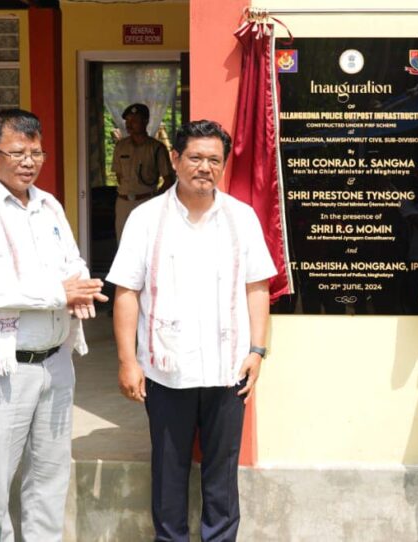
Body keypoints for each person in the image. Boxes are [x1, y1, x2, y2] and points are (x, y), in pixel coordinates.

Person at [0, 108, 107, 541]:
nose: (29, 162)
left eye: (37, 153)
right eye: (17, 153)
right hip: (3, 367)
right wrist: (58, 293)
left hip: (56, 362)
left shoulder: (48, 204)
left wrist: (81, 288)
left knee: (50, 478)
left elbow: (72, 260)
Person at [107, 119, 275, 542]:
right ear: (176, 160)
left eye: (214, 159)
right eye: (196, 158)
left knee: (222, 472)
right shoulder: (146, 219)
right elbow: (127, 292)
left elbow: (257, 287)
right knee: (169, 470)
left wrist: (258, 350)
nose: (205, 167)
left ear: (223, 164)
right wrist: (128, 362)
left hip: (227, 370)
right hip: (166, 370)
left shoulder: (241, 217)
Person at [112, 103, 175, 242]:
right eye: (127, 121)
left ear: (145, 121)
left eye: (134, 120)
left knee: (147, 242)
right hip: (124, 201)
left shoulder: (156, 148)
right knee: (123, 243)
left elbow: (169, 180)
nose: (129, 124)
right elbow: (119, 175)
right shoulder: (121, 146)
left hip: (146, 200)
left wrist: (155, 198)